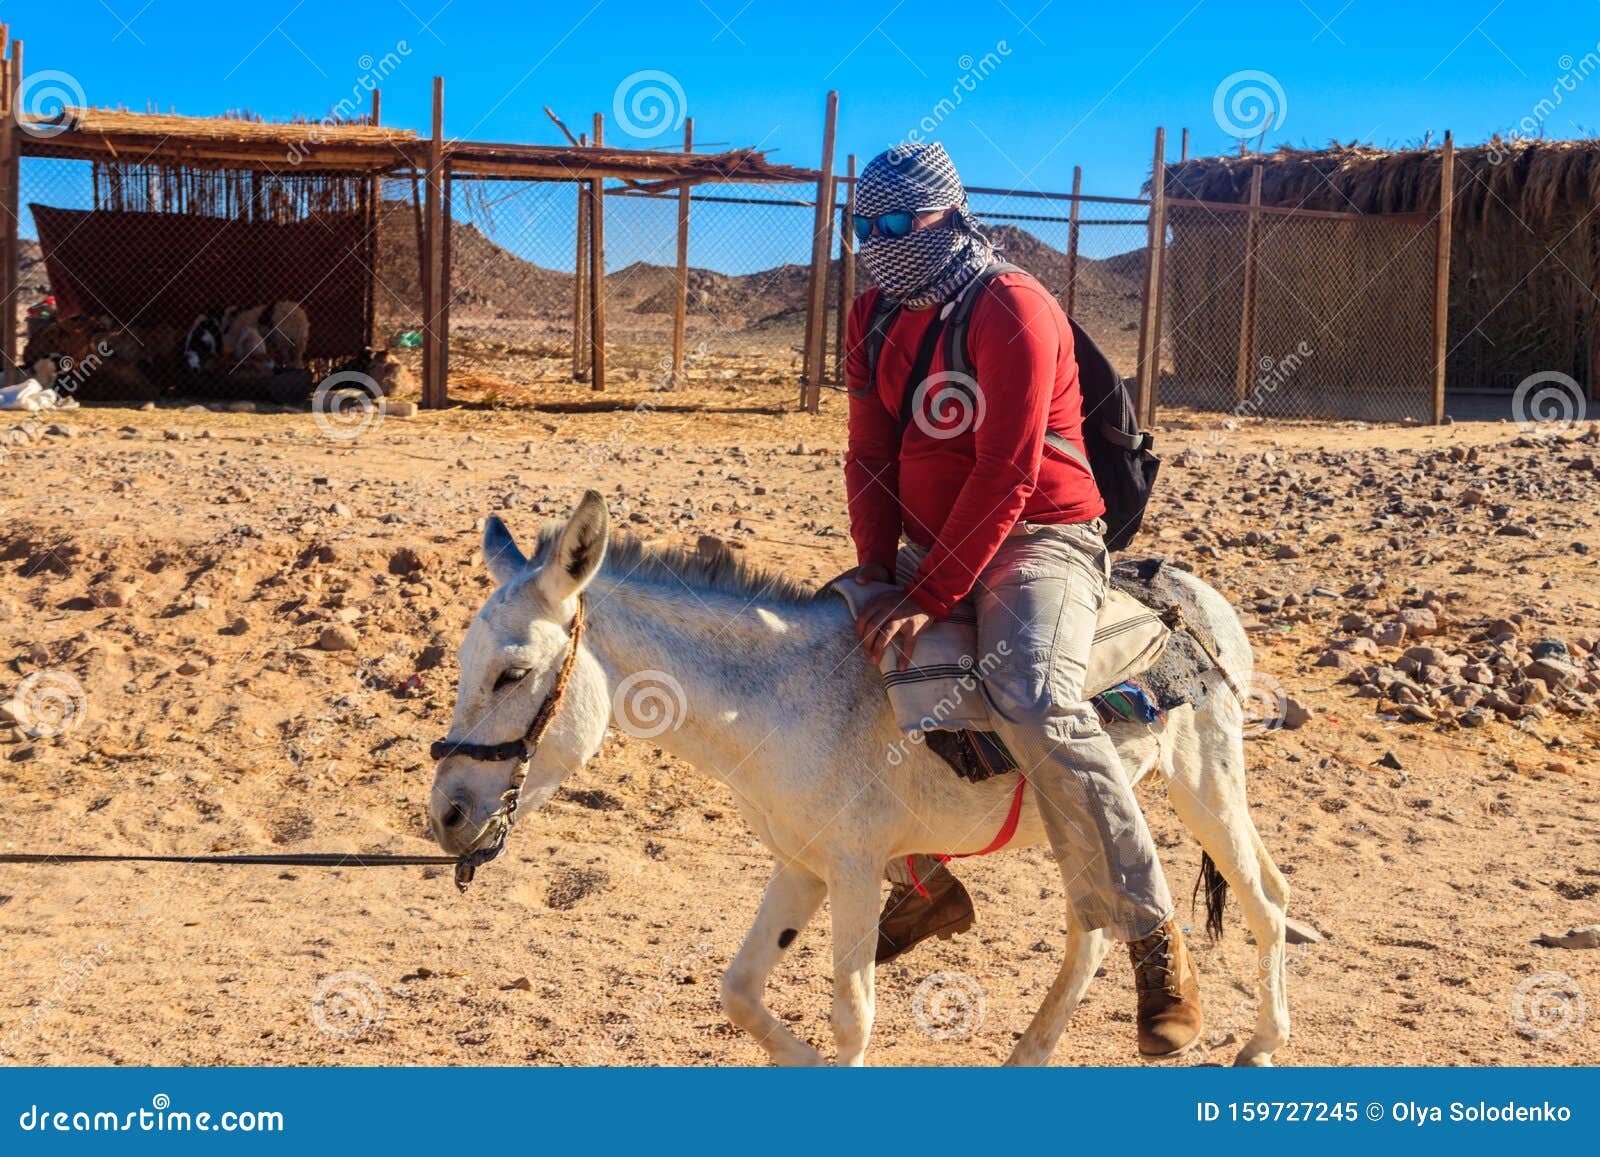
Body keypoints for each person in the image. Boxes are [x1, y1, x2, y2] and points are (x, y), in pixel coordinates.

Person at [841, 142, 1203, 1058]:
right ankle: (924, 881)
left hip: (1041, 536)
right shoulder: (874, 316)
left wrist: (927, 592)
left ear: (948, 218)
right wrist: (877, 579)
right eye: (863, 226)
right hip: (934, 543)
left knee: (1035, 699)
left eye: (896, 225)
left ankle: (1152, 935)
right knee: (827, 662)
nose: (878, 243)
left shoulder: (1013, 307)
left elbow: (1007, 472)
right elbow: (868, 459)